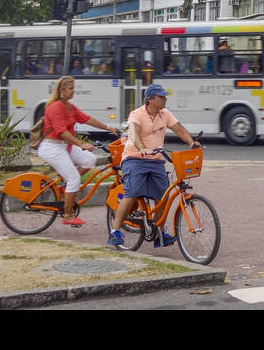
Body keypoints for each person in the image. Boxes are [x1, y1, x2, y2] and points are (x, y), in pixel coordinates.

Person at [108, 84, 199, 249]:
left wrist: (191, 142)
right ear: (150, 100)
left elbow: (178, 128)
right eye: (161, 97)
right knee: (132, 192)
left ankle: (158, 232)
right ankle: (115, 231)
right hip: (134, 158)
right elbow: (133, 132)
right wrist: (142, 148)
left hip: (156, 159)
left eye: (165, 96)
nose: (165, 99)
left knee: (162, 197)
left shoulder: (165, 114)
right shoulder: (137, 114)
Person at [29, 76, 113, 226]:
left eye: (73, 88)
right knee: (74, 177)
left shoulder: (69, 106)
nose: (73, 91)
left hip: (64, 146)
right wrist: (81, 144)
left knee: (90, 160)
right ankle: (68, 215)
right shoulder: (55, 107)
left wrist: (108, 128)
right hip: (52, 147)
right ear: (62, 91)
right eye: (71, 88)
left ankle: (66, 186)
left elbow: (87, 119)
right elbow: (61, 132)